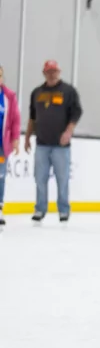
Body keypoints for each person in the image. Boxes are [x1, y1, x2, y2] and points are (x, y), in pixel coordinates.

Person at [25, 60, 83, 223]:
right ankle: (40, 209)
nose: (52, 74)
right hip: (42, 144)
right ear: (44, 73)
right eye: (49, 71)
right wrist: (28, 137)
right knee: (40, 178)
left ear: (59, 72)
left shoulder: (68, 91)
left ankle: (63, 210)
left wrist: (68, 131)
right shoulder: (37, 92)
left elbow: (76, 113)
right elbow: (32, 117)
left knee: (62, 178)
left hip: (61, 146)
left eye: (55, 71)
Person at [0, 65, 22, 227]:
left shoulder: (8, 96)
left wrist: (15, 139)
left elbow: (15, 120)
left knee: (0, 177)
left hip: (1, 145)